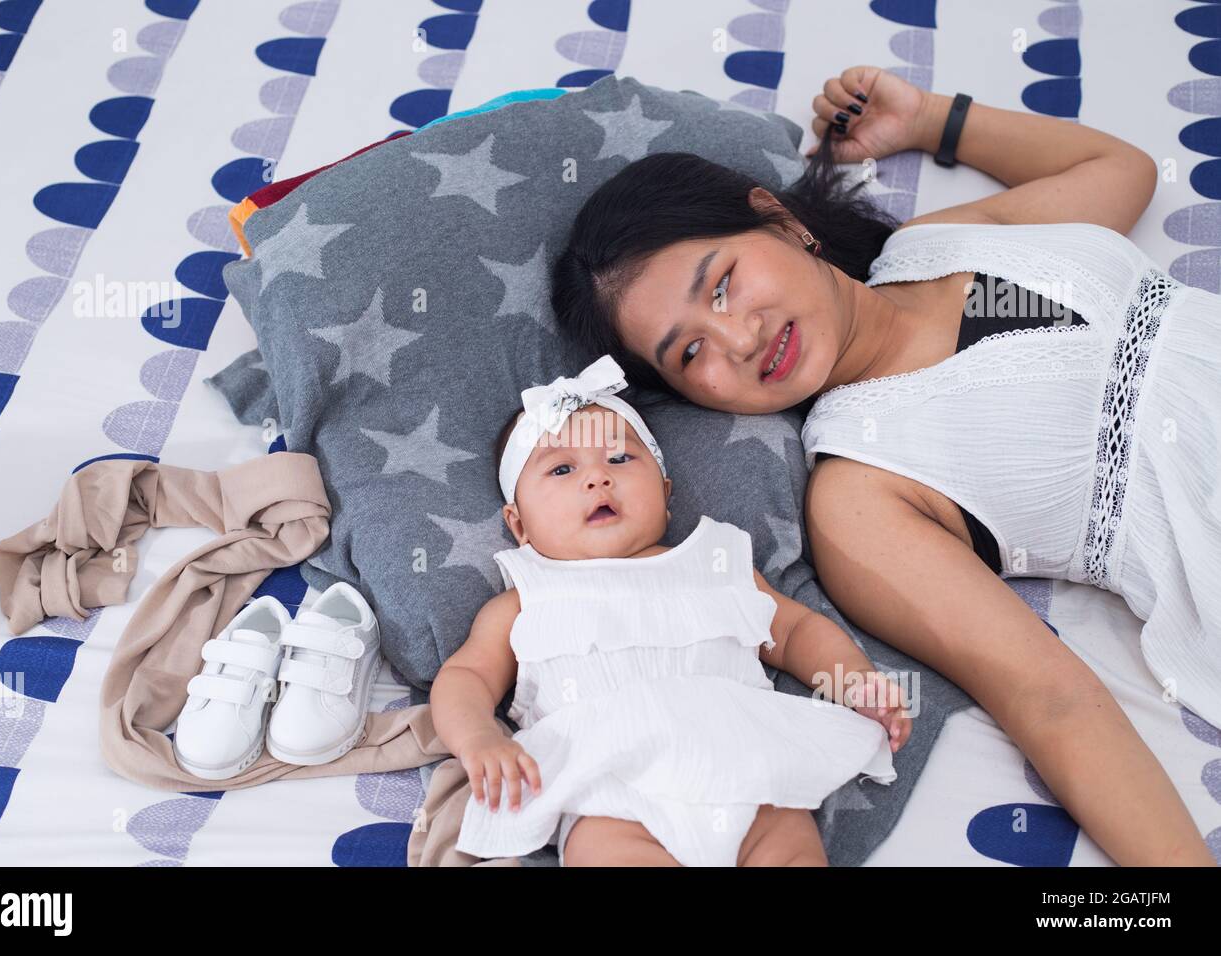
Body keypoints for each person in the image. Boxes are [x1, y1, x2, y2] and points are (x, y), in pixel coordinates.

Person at [549, 66, 1220, 867]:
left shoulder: (932, 245)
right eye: (690, 351)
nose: (739, 340)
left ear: (781, 222)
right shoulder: (860, 488)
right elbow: (1051, 702)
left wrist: (934, 119)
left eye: (722, 286)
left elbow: (1122, 174)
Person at [430, 355, 910, 866]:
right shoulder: (526, 598)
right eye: (563, 469)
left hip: (746, 765)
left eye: (619, 460)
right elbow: (467, 676)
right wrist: (478, 737)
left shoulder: (716, 561)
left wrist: (853, 679)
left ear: (664, 494)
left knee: (787, 844)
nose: (597, 480)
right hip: (609, 791)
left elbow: (793, 632)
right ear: (519, 525)